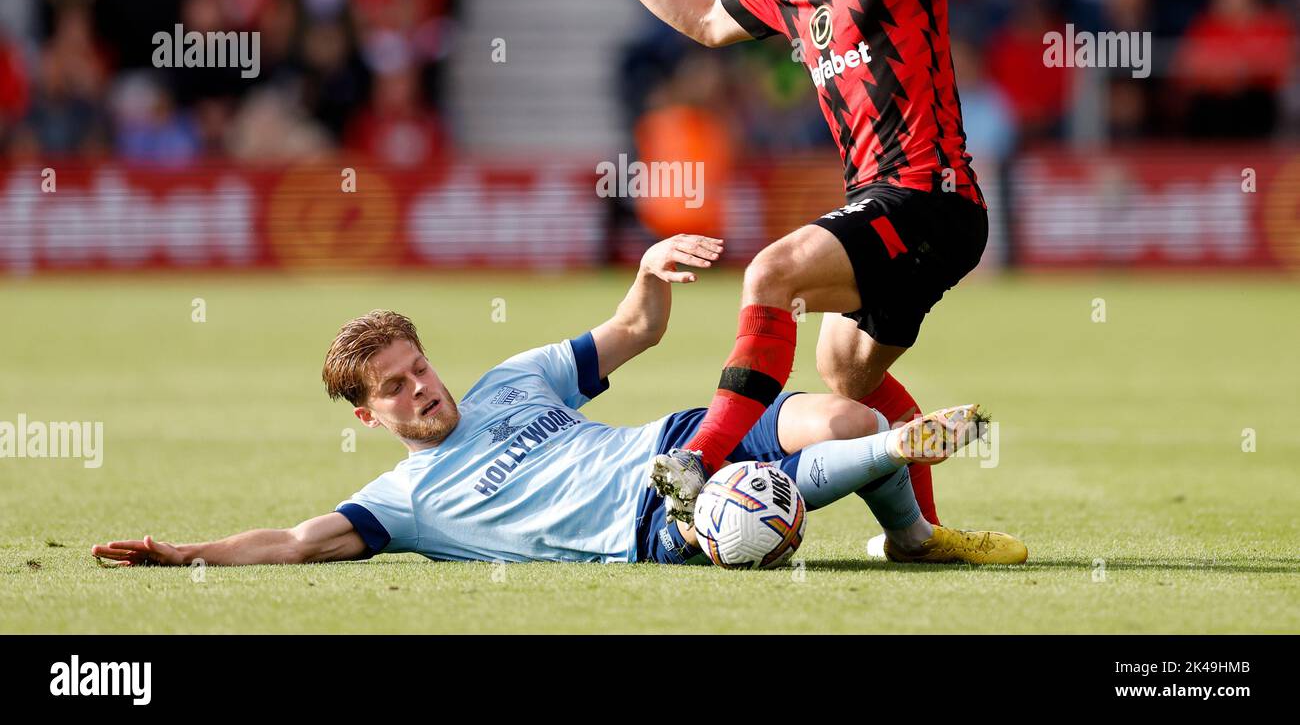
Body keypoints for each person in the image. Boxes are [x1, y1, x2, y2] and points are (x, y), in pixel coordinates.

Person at [572, 0, 1166, 523]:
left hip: (932, 198)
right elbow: (704, 19)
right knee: (845, 373)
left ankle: (699, 461)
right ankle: (922, 532)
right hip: (885, 204)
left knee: (770, 273)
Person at [91, 235, 1026, 568]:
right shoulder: (402, 505)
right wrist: (187, 553)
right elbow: (295, 543)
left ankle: (907, 530)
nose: (421, 387)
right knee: (750, 521)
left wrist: (651, 268)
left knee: (840, 413)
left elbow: (635, 330)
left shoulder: (509, 379)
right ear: (366, 416)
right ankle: (898, 451)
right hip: (653, 524)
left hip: (675, 442)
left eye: (418, 366)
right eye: (395, 387)